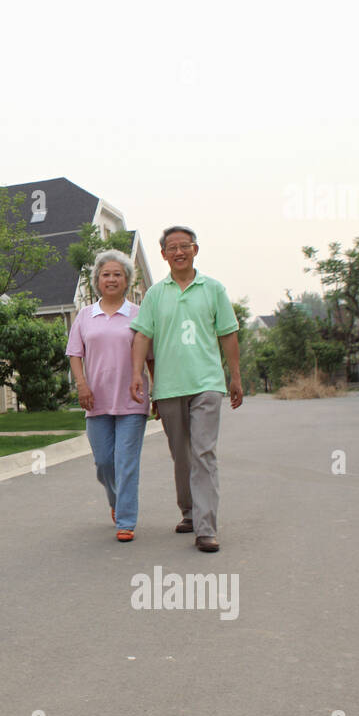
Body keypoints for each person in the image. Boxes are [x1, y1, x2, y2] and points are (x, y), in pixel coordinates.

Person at [129, 226, 242, 553]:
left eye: (185, 246)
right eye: (172, 248)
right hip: (168, 388)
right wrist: (137, 374)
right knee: (182, 455)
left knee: (203, 453)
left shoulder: (214, 289)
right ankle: (190, 512)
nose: (179, 252)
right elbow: (142, 336)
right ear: (163, 254)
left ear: (195, 249)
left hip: (207, 383)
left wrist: (234, 376)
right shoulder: (154, 295)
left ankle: (206, 528)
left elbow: (228, 334)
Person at [67, 249, 151, 542]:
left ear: (127, 280)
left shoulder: (139, 315)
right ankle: (116, 501)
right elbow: (75, 354)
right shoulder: (86, 316)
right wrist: (81, 384)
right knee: (104, 462)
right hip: (96, 400)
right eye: (106, 274)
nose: (112, 279)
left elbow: (149, 357)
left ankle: (126, 521)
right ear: (97, 280)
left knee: (126, 462)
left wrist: (156, 388)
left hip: (132, 399)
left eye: (118, 274)